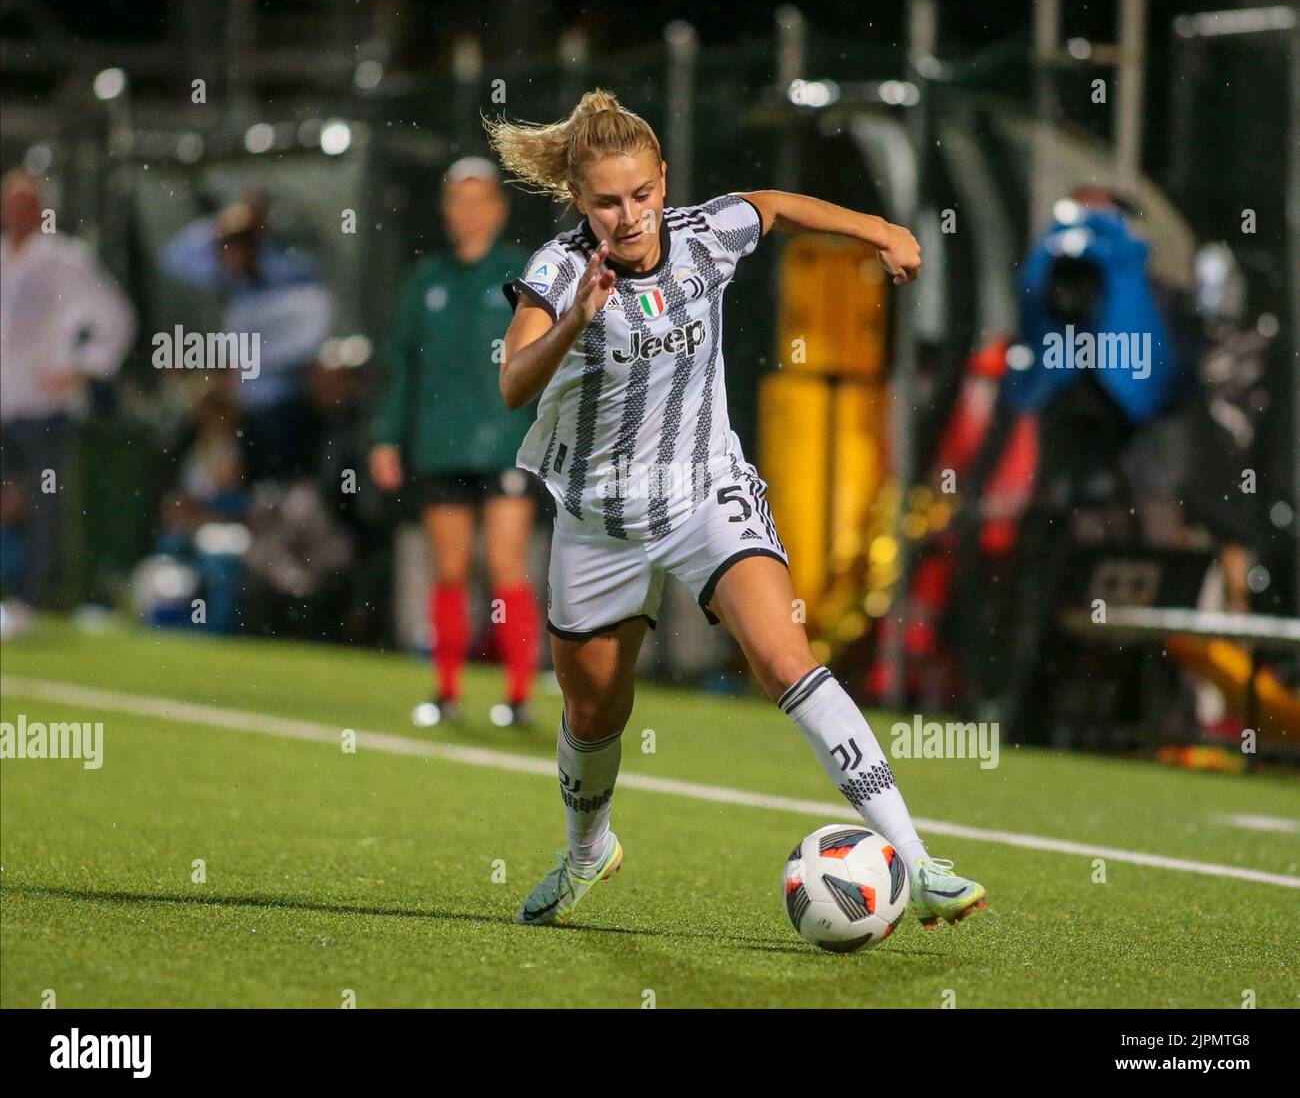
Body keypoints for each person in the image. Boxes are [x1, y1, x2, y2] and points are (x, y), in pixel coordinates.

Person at [488, 89, 988, 928]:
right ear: (579, 200)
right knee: (594, 711)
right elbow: (512, 383)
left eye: (643, 193)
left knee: (786, 658)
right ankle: (588, 852)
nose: (630, 215)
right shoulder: (559, 271)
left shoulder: (705, 234)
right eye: (608, 201)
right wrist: (575, 319)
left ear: (663, 181)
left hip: (704, 494)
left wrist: (882, 230)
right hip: (599, 517)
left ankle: (919, 856)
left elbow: (781, 205)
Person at [369, 157, 542, 729]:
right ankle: (446, 692)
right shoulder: (426, 280)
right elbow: (401, 367)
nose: (467, 214)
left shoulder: (524, 274)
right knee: (448, 570)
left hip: (508, 443)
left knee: (506, 567)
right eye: (457, 202)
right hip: (440, 444)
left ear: (499, 208)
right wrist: (387, 438)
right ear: (446, 210)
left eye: (479, 201)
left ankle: (518, 697)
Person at [0, 167, 135, 612]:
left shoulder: (65, 260)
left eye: (25, 203)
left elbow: (116, 318)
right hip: (5, 402)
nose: (16, 213)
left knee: (43, 507)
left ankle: (33, 602)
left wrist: (80, 369)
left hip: (44, 407)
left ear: (42, 209)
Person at [161, 194, 332, 483]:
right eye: (224, 249)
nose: (230, 257)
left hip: (286, 404)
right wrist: (221, 224)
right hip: (247, 408)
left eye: (237, 246)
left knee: (289, 487)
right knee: (255, 490)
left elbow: (311, 333)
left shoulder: (289, 274)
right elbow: (173, 258)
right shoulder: (233, 281)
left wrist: (250, 359)